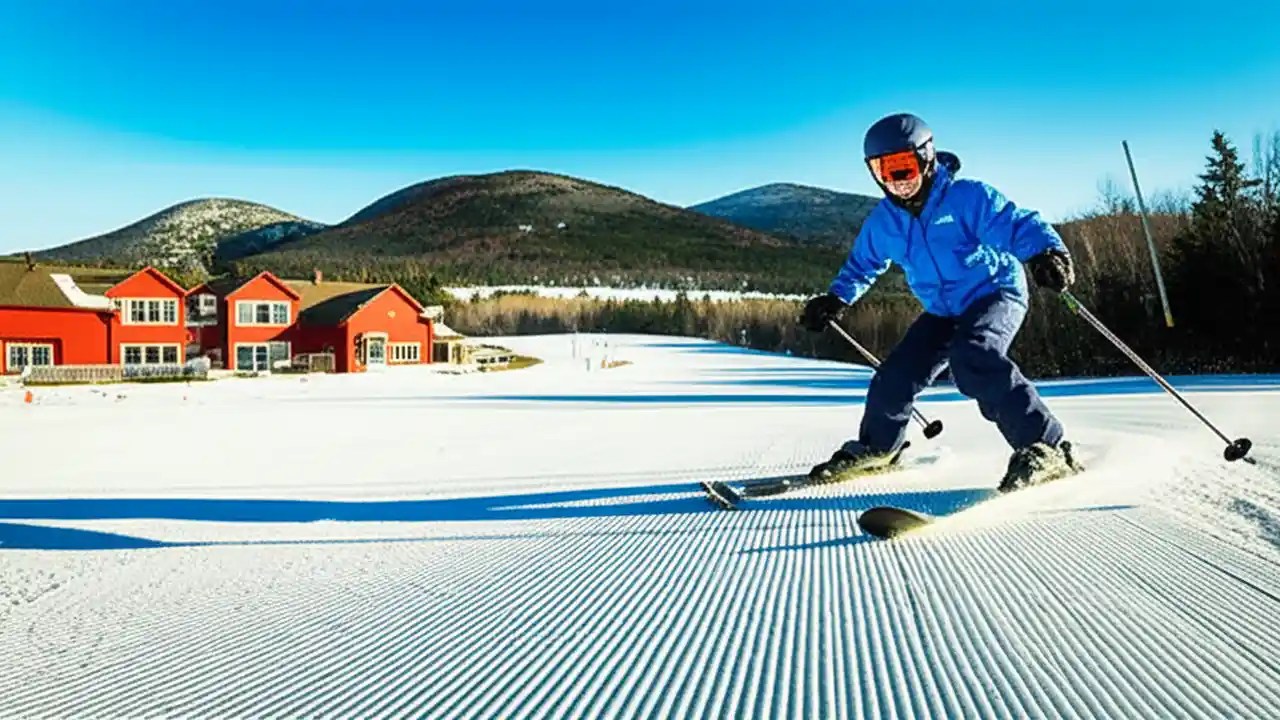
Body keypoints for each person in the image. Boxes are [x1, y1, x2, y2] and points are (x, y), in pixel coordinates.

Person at [800, 112, 1082, 492]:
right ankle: (879, 447)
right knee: (895, 375)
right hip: (943, 310)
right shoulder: (884, 222)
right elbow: (862, 264)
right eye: (884, 171)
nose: (896, 181)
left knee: (973, 356)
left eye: (903, 168)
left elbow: (1014, 223)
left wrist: (1047, 252)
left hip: (994, 292)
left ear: (926, 157)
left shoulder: (966, 198)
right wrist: (836, 298)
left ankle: (1046, 446)